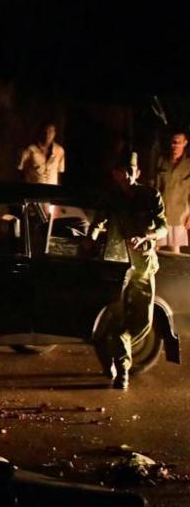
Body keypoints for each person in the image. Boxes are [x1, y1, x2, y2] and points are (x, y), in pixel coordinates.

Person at [95, 152, 167, 389]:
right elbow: (98, 222)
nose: (126, 175)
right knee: (111, 319)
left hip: (142, 266)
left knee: (142, 322)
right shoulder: (111, 198)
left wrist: (146, 236)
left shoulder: (150, 196)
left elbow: (163, 227)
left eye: (130, 170)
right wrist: (90, 238)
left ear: (137, 172)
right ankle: (121, 369)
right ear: (114, 174)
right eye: (121, 171)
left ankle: (115, 348)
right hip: (116, 266)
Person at [153, 130, 190, 253]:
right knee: (154, 248)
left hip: (179, 216)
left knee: (175, 252)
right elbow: (155, 187)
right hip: (161, 213)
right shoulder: (162, 161)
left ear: (185, 143)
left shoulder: (188, 165)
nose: (175, 145)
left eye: (178, 142)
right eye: (173, 142)